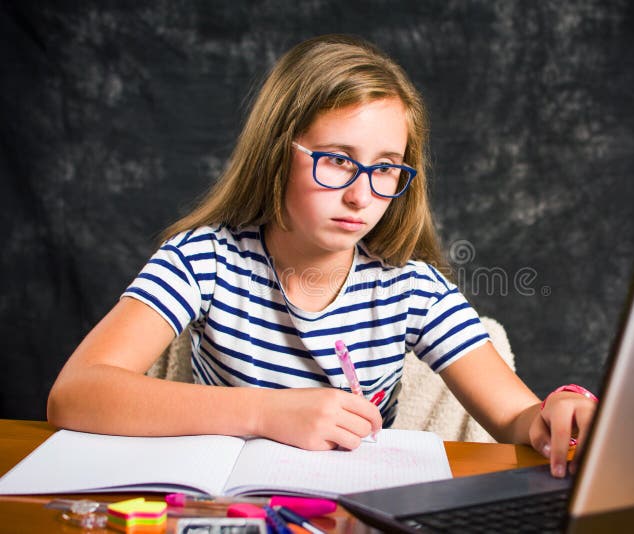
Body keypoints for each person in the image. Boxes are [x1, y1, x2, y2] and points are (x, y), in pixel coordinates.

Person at [47, 34, 596, 478]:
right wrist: (264, 413)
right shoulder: (203, 260)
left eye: (385, 168)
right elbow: (76, 392)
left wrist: (558, 413)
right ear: (276, 154)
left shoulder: (412, 287)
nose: (361, 194)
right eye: (336, 161)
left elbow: (517, 419)